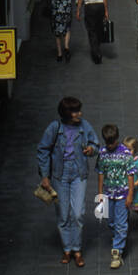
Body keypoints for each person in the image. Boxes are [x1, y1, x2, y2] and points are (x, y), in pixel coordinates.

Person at [37, 97, 100, 265]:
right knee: (63, 214)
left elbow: (96, 145)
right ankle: (67, 249)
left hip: (79, 173)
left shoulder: (84, 126)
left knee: (78, 212)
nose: (79, 114)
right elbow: (43, 150)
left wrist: (91, 149)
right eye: (75, 111)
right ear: (67, 114)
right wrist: (45, 176)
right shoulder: (54, 128)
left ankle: (77, 249)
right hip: (60, 174)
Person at [96, 124, 135, 270]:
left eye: (112, 142)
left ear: (117, 139)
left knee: (120, 223)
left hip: (122, 194)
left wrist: (130, 194)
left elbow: (130, 175)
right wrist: (100, 194)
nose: (110, 145)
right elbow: (100, 173)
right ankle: (119, 237)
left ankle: (117, 252)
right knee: (111, 221)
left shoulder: (125, 153)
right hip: (108, 194)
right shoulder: (103, 153)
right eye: (108, 142)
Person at [76, 0, 109, 64]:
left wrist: (78, 10)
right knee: (99, 28)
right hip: (100, 6)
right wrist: (106, 10)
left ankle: (95, 52)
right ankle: (97, 46)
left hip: (89, 6)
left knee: (91, 30)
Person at [124, 136, 138, 214]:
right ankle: (125, 224)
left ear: (135, 150)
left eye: (129, 150)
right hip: (125, 189)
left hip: (136, 191)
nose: (127, 152)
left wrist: (134, 184)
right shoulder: (123, 162)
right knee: (125, 208)